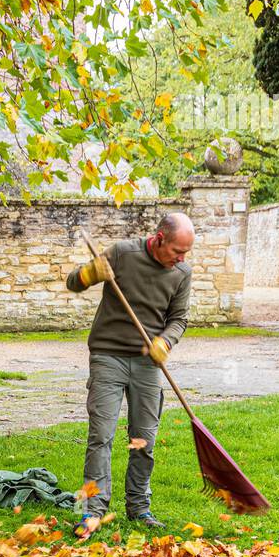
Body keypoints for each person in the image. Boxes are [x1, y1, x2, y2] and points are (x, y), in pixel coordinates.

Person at [66, 213, 194, 538]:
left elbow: (179, 318)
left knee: (143, 441)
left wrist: (165, 341)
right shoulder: (123, 253)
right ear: (160, 238)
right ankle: (91, 510)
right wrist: (90, 273)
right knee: (101, 437)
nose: (181, 258)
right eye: (177, 250)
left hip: (148, 363)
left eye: (186, 253)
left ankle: (139, 508)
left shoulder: (181, 272)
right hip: (108, 356)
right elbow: (73, 282)